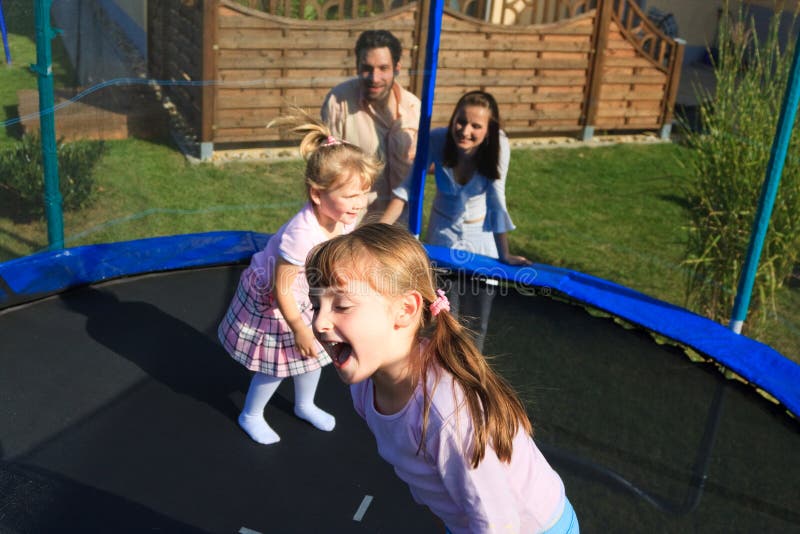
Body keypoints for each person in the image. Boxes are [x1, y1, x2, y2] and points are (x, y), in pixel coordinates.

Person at [306, 223, 578, 533]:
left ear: (405, 310)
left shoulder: (446, 416)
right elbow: (430, 483)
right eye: (316, 306)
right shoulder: (366, 388)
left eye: (341, 306)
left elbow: (499, 523)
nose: (319, 322)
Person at [218, 116, 380, 445]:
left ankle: (305, 404)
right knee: (276, 365)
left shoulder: (342, 216)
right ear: (317, 194)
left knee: (314, 355)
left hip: (306, 296)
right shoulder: (301, 234)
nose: (359, 203)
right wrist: (299, 328)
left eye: (363, 193)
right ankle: (251, 414)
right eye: (351, 195)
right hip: (276, 302)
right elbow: (281, 289)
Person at [381, 90, 530, 351]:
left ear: (489, 129)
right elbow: (407, 189)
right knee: (441, 316)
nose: (465, 131)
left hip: (481, 241)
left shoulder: (499, 145)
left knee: (476, 322)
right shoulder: (437, 139)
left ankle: (470, 370)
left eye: (476, 126)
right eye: (460, 121)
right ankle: (438, 368)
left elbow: (496, 199)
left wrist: (504, 254)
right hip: (441, 237)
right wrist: (378, 230)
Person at [321, 29, 421, 223]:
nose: (374, 78)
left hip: (401, 224)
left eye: (383, 68)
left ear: (397, 68)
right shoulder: (338, 102)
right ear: (357, 67)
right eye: (367, 68)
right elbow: (326, 170)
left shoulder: (415, 109)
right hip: (353, 224)